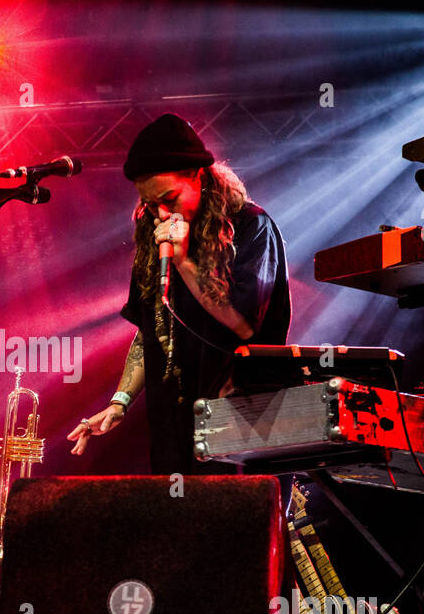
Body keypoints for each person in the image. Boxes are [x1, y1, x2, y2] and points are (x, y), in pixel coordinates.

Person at [68, 113, 291, 474]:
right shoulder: (152, 233)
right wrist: (120, 401)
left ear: (198, 176)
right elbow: (149, 330)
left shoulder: (251, 227)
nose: (160, 212)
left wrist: (185, 261)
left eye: (169, 198)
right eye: (149, 203)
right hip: (172, 430)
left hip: (239, 429)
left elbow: (247, 324)